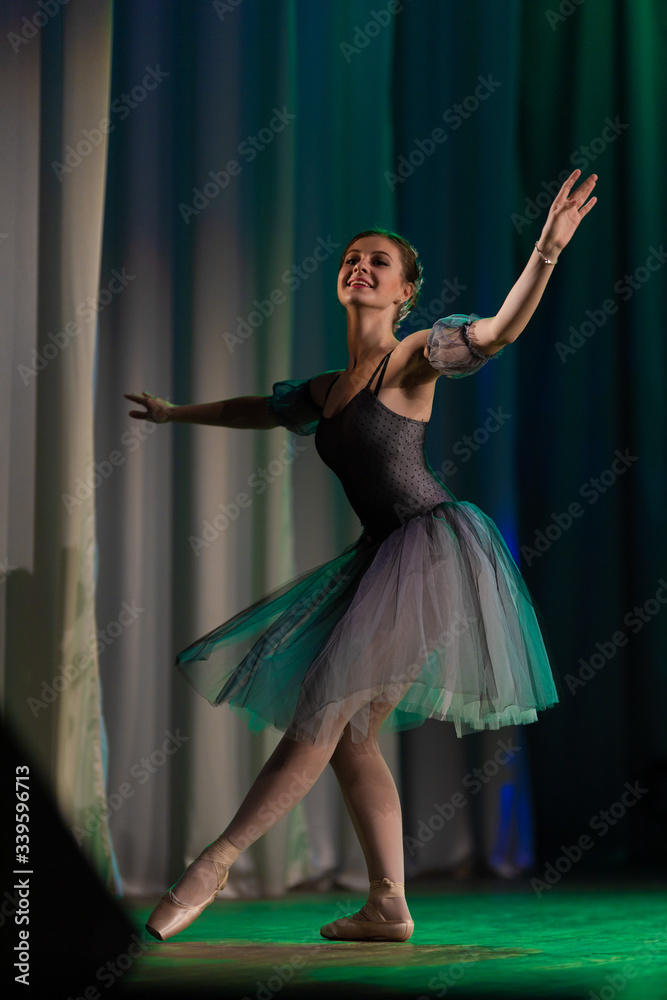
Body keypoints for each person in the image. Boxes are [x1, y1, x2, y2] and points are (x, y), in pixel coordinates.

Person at [125, 168, 597, 944]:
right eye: (352, 258)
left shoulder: (411, 355)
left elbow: (498, 332)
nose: (360, 266)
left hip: (431, 551)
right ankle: (388, 905)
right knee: (347, 732)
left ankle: (214, 864)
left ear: (404, 291)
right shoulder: (328, 388)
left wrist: (544, 249)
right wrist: (178, 414)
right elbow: (261, 409)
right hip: (382, 556)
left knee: (324, 710)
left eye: (379, 261)